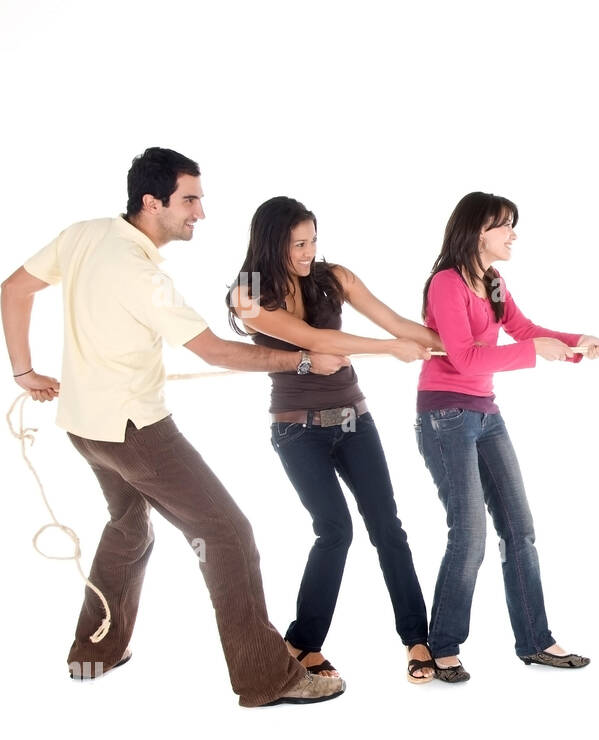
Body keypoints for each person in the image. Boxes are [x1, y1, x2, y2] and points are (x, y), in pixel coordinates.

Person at [1, 147, 347, 706]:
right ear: (151, 201)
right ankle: (265, 678)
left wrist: (23, 371)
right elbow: (214, 350)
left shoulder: (84, 234)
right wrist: (302, 361)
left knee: (128, 527)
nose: (200, 213)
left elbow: (13, 289)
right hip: (137, 432)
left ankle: (95, 651)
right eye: (190, 200)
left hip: (86, 430)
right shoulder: (142, 276)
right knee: (228, 536)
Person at [227, 196, 443, 684]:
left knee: (388, 526)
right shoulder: (249, 291)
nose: (308, 252)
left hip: (354, 421)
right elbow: (314, 339)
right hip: (296, 429)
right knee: (335, 530)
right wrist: (390, 350)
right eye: (297, 244)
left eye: (313, 240)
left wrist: (455, 344)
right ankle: (302, 643)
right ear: (270, 243)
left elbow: (397, 324)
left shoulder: (335, 277)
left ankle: (417, 637)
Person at [415, 192, 599, 681]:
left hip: (485, 413)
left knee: (518, 528)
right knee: (470, 535)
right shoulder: (446, 283)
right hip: (446, 416)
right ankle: (442, 646)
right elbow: (464, 358)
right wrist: (537, 352)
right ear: (479, 230)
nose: (513, 235)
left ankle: (536, 641)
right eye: (505, 226)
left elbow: (521, 329)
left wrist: (574, 342)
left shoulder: (492, 281)